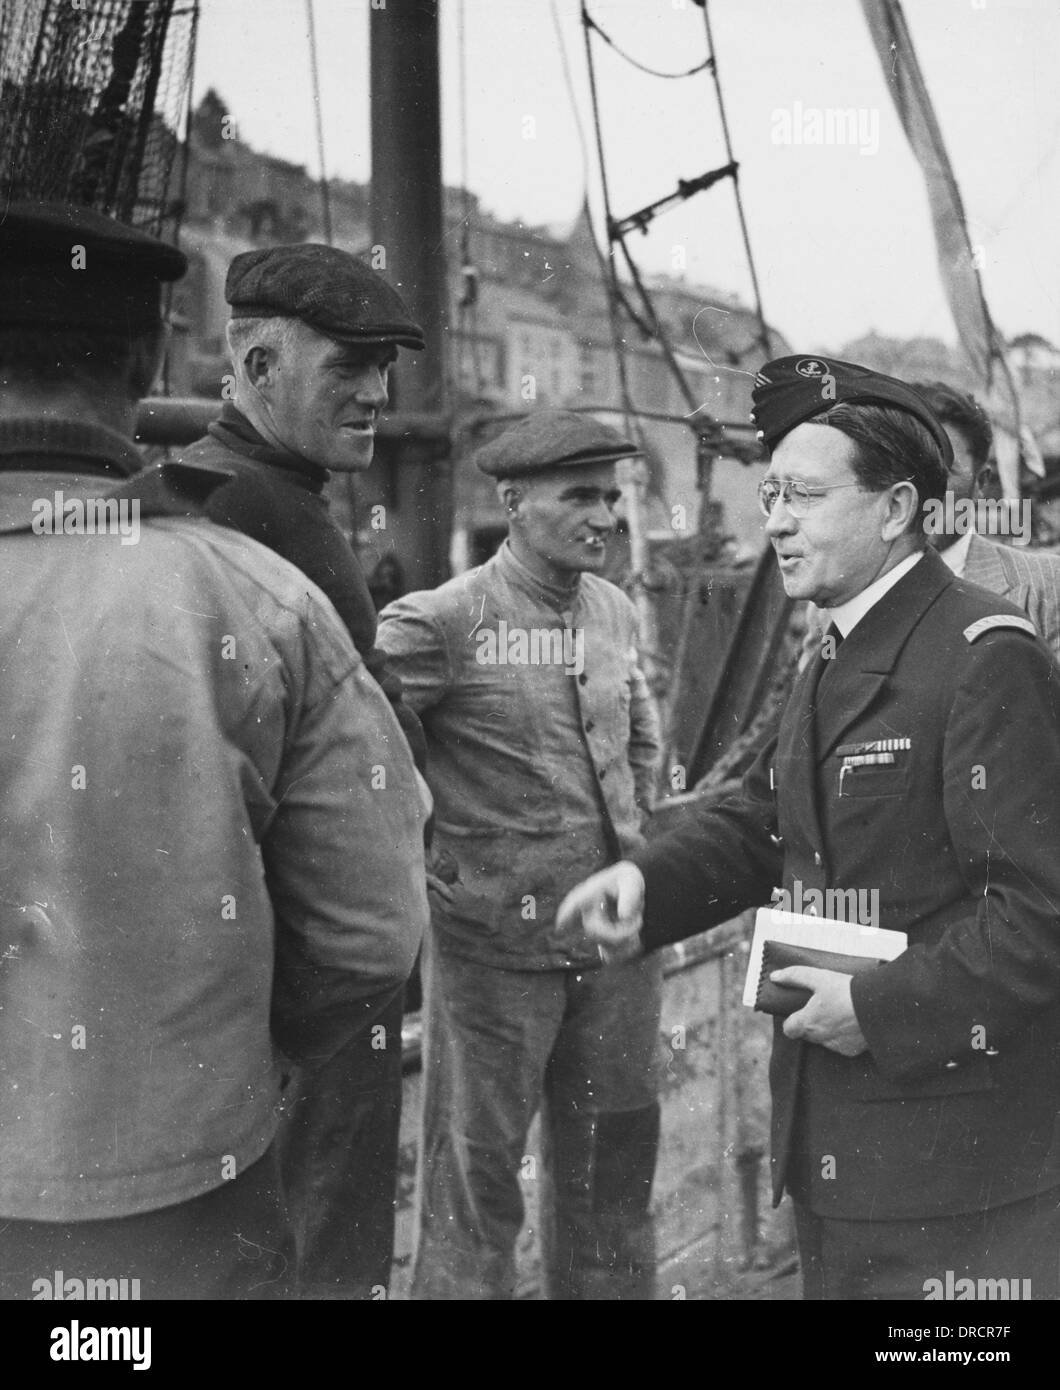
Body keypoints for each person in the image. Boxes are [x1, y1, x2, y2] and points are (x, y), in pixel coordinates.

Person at [559, 356, 1060, 1300]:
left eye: (803, 495)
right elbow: (766, 819)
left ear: (895, 508)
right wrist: (648, 883)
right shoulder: (835, 645)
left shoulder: (983, 657)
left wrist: (876, 1008)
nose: (775, 520)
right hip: (843, 1146)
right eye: (769, 492)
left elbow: (1039, 918)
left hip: (959, 1169)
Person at [0, 202, 428, 1300]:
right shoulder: (244, 571)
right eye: (356, 366)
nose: (378, 396)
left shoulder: (251, 520)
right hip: (180, 1172)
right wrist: (238, 1051)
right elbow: (371, 931)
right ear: (155, 360)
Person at [179, 243, 428, 1298]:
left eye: (385, 365)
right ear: (263, 366)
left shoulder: (243, 490)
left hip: (261, 979)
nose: (375, 391)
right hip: (305, 984)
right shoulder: (260, 510)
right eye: (348, 367)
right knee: (324, 1244)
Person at [378, 410, 664, 1300]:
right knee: (476, 1193)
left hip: (615, 955)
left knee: (610, 1186)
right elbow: (355, 748)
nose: (606, 516)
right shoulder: (440, 622)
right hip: (493, 963)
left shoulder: (612, 609)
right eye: (581, 496)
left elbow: (642, 741)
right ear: (512, 502)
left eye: (611, 497)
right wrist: (435, 857)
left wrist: (637, 845)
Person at [912, 379, 1060, 655]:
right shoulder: (844, 590)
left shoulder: (1046, 585)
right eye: (906, 467)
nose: (921, 488)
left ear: (980, 483)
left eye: (943, 471)